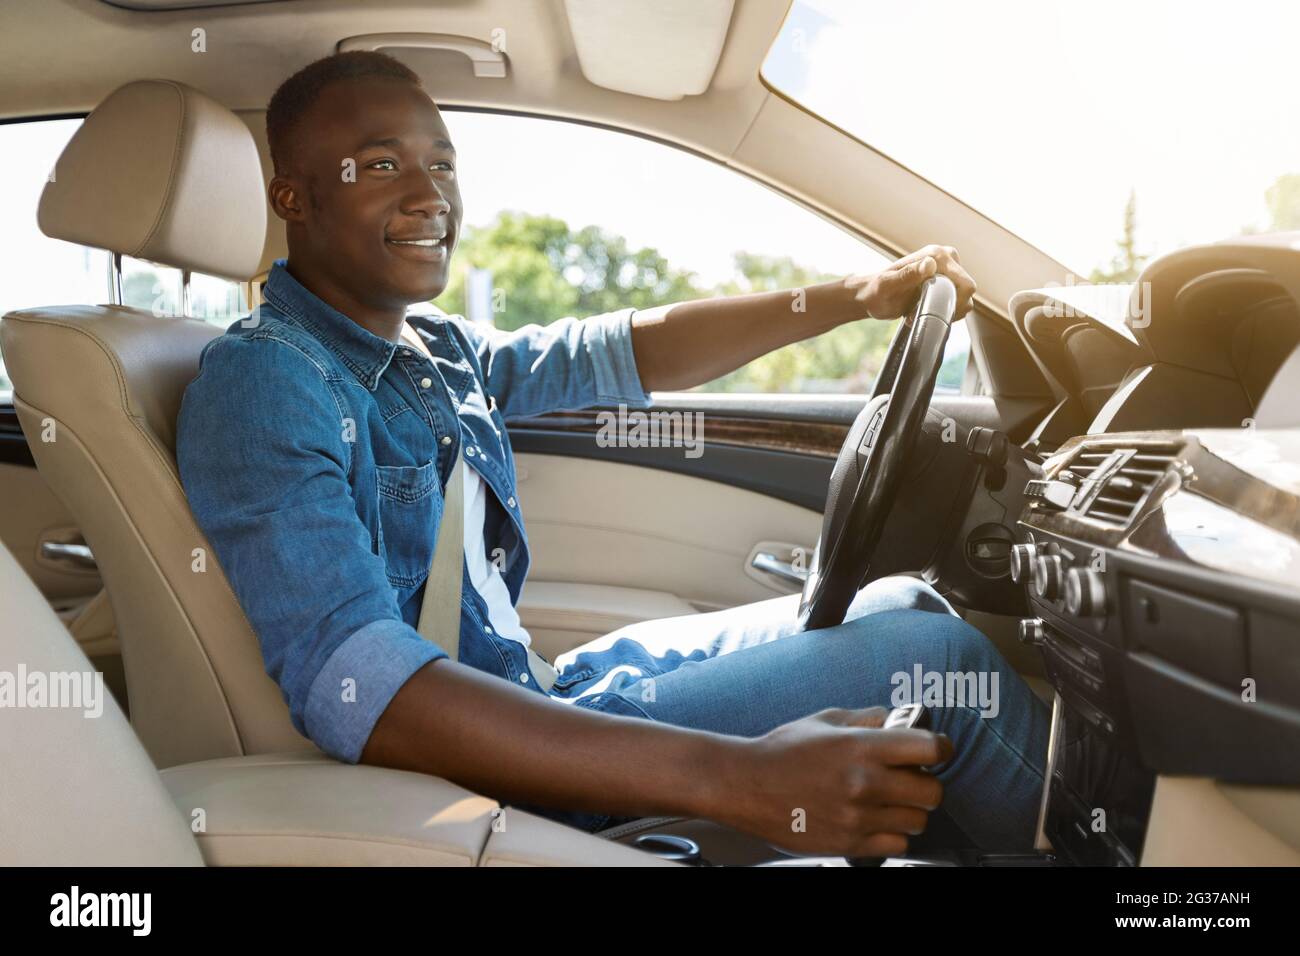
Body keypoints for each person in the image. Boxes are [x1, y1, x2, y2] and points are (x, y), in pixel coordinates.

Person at [177, 51, 1049, 858]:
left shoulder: (431, 347)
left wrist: (852, 297)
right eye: (380, 166)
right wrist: (739, 778)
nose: (429, 194)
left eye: (441, 165)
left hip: (539, 693)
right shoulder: (265, 381)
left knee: (900, 601)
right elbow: (360, 686)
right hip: (481, 771)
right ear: (292, 198)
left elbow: (624, 351)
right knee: (935, 664)